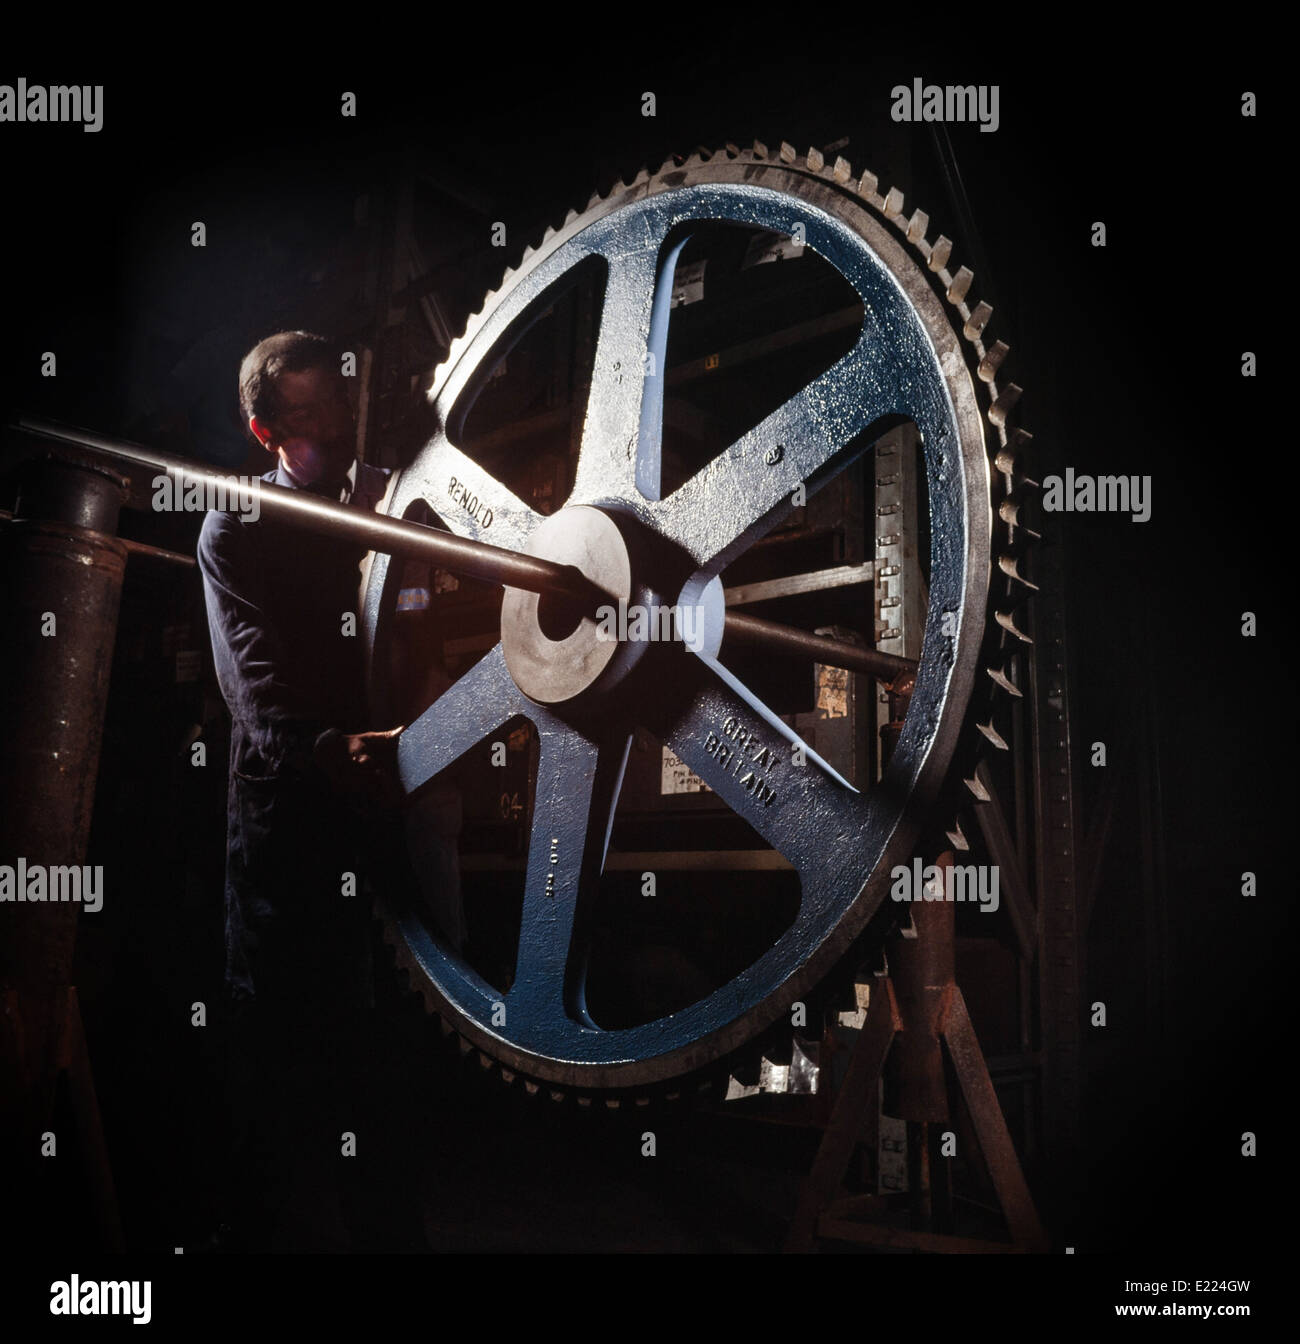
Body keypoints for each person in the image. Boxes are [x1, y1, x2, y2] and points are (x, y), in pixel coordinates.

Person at [196, 330, 425, 1251]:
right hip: (288, 825)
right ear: (264, 433)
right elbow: (252, 692)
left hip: (379, 809)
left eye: (339, 400)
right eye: (309, 414)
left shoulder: (387, 502)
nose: (335, 423)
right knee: (277, 1065)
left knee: (379, 1066)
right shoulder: (233, 529)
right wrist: (329, 748)